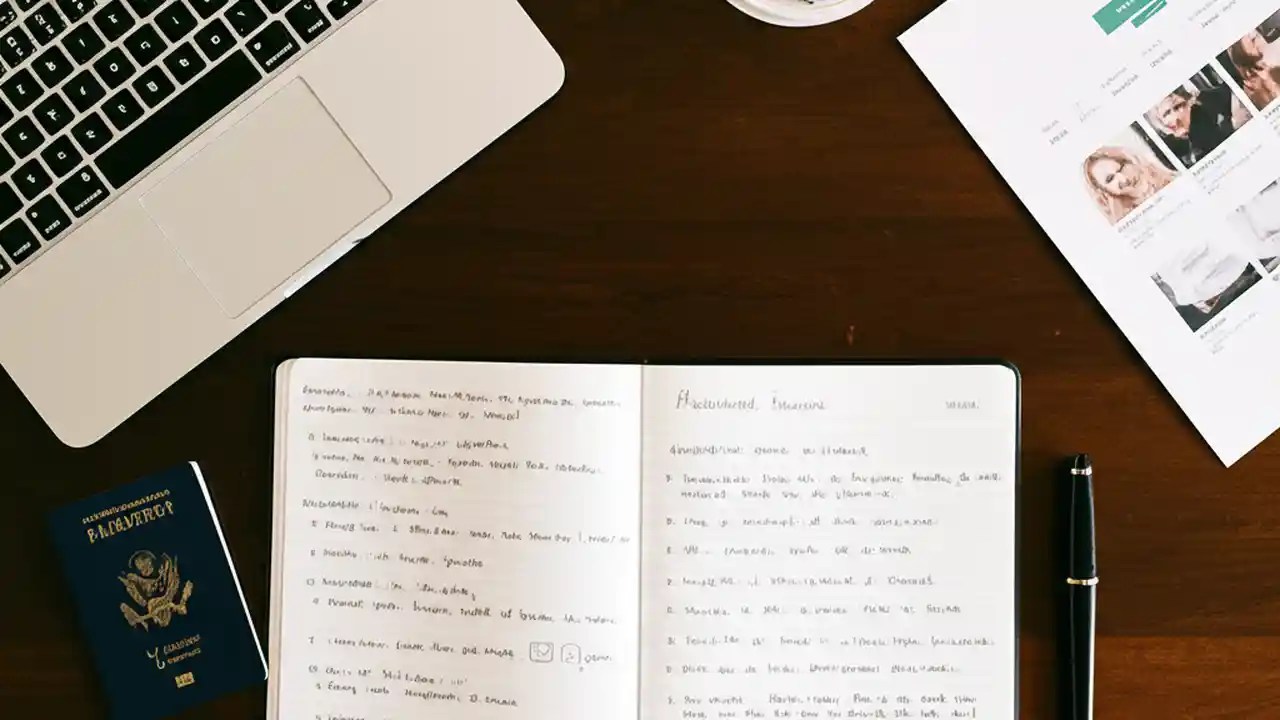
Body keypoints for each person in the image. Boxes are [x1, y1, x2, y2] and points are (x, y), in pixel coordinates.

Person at [1149, 81, 1250, 167]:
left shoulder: (1208, 103)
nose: (1176, 116)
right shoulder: (1177, 148)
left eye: (1178, 106)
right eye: (1167, 114)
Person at [1082, 146, 1176, 224]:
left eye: (1121, 168)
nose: (1123, 178)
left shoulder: (1167, 176)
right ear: (1106, 191)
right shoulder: (1127, 220)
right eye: (1110, 179)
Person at [1227, 30, 1280, 111]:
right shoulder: (1251, 88)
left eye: (1254, 38)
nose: (1257, 43)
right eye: (1253, 40)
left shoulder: (1271, 67)